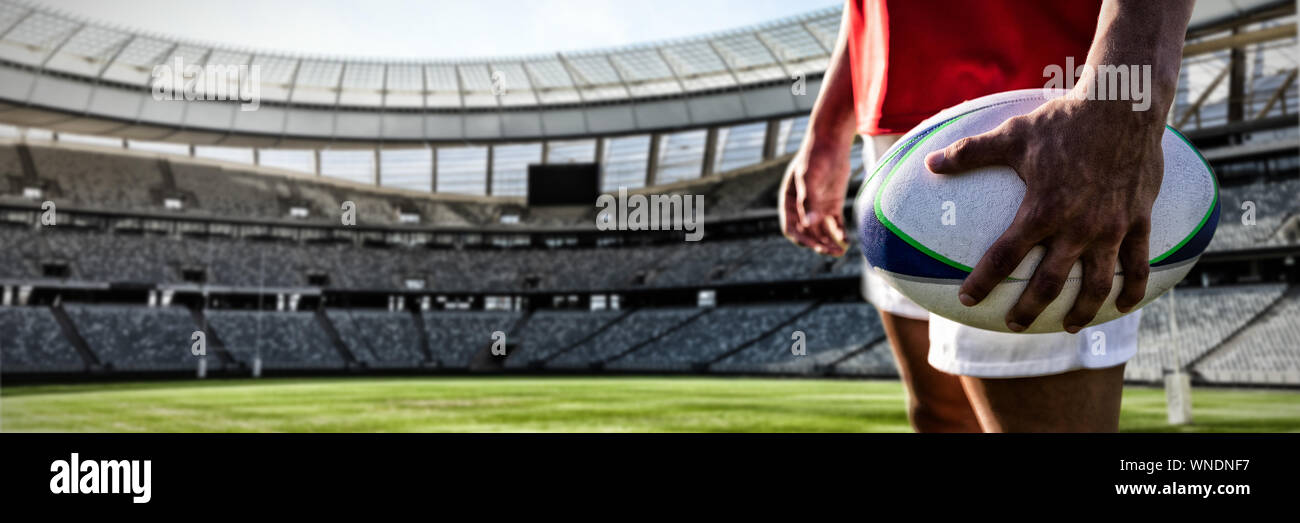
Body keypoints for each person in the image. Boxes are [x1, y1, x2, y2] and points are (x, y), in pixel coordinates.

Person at [779, 0, 1196, 432]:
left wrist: (1118, 101)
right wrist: (830, 124)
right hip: (894, 120)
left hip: (1043, 111)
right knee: (941, 416)